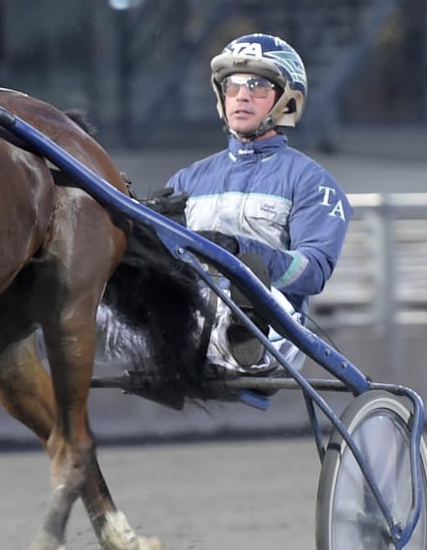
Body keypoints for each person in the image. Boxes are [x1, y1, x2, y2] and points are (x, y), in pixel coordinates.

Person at [146, 33, 349, 373]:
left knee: (240, 298)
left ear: (285, 101)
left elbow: (312, 272)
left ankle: (241, 334)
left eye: (256, 86)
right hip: (187, 319)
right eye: (232, 86)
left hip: (274, 331)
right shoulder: (186, 180)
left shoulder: (312, 182)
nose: (241, 96)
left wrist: (240, 254)